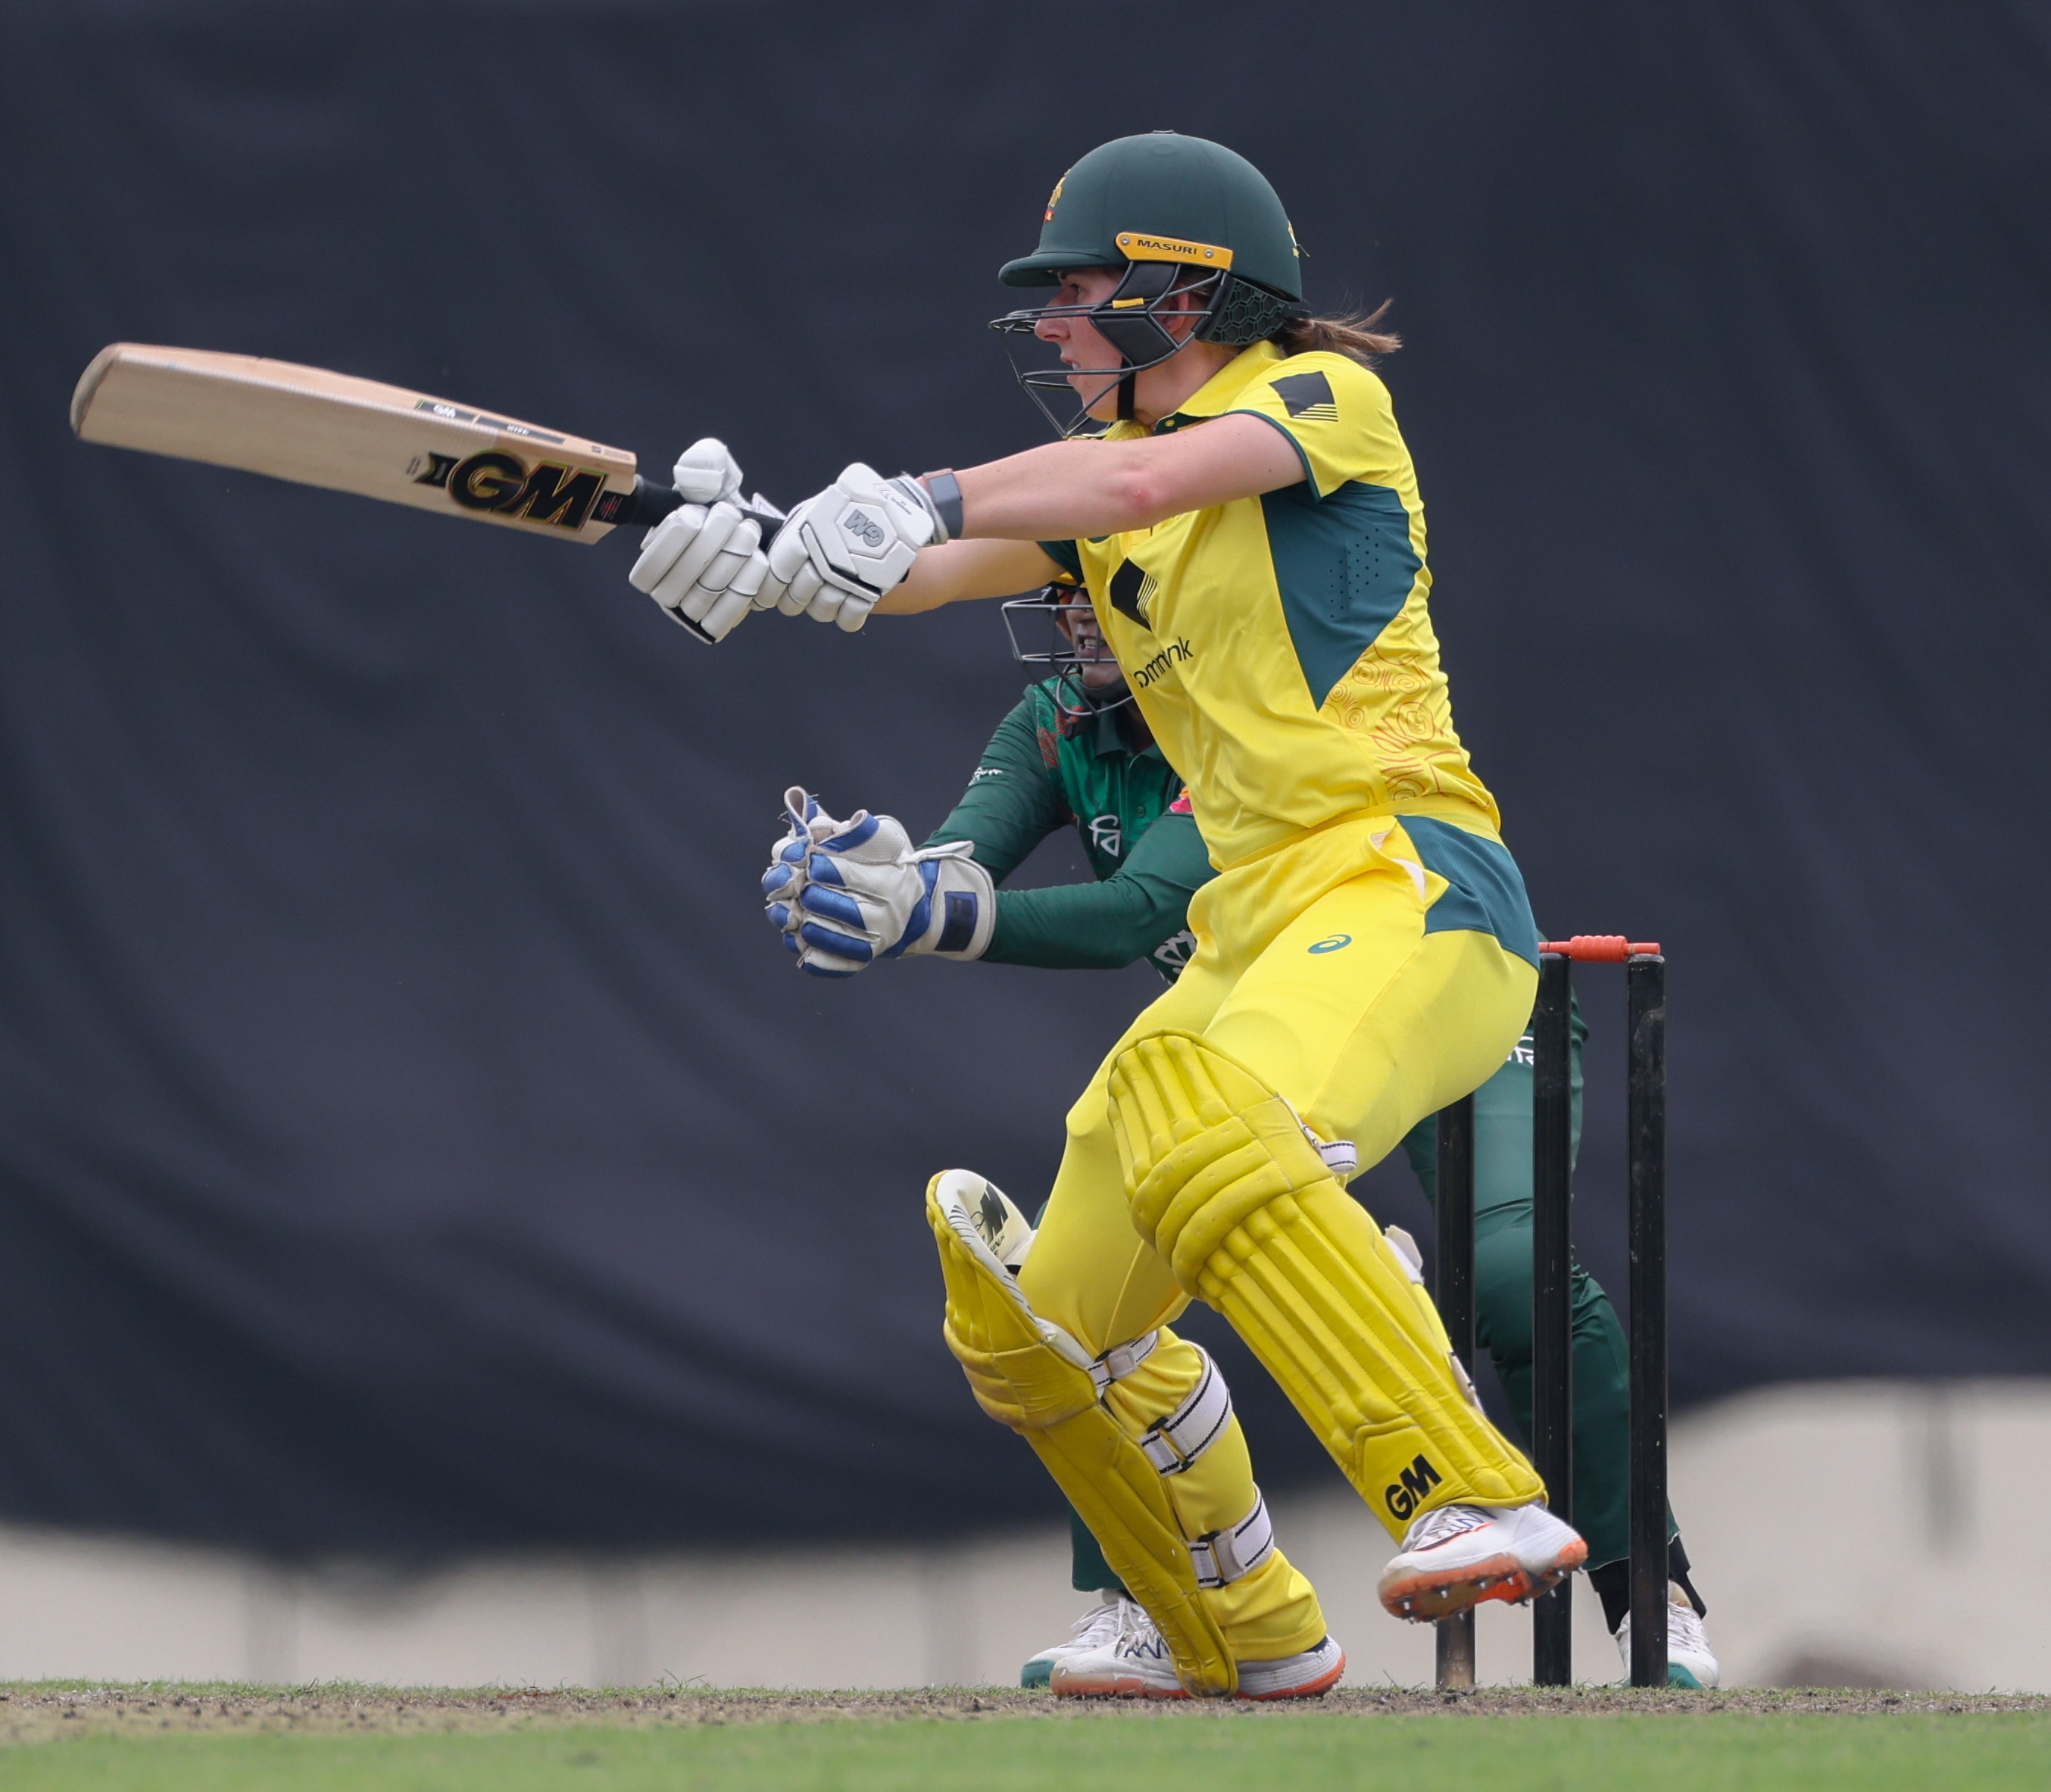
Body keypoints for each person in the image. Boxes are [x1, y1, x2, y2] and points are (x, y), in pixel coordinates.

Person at [630, 131, 1628, 1700]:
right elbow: (927, 573)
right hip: (1255, 921)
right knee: (1040, 1325)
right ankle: (1233, 1616)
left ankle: (1472, 1492)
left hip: (1406, 879)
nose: (1059, 325)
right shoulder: (1107, 498)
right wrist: (753, 553)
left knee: (1211, 1125)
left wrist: (909, 492)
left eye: (1085, 291)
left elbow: (1134, 475)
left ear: (1193, 292)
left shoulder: (1313, 401)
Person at [770, 585, 1719, 1690]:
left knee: (1509, 1274)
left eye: (1100, 592)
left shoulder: (1220, 705)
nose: (1078, 619)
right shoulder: (1053, 721)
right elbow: (961, 859)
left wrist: (930, 922)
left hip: (1423, 976)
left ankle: (1648, 1594)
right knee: (1084, 1284)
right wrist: (882, 884)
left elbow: (1139, 908)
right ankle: (1148, 1600)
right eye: (1063, 592)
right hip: (1255, 1033)